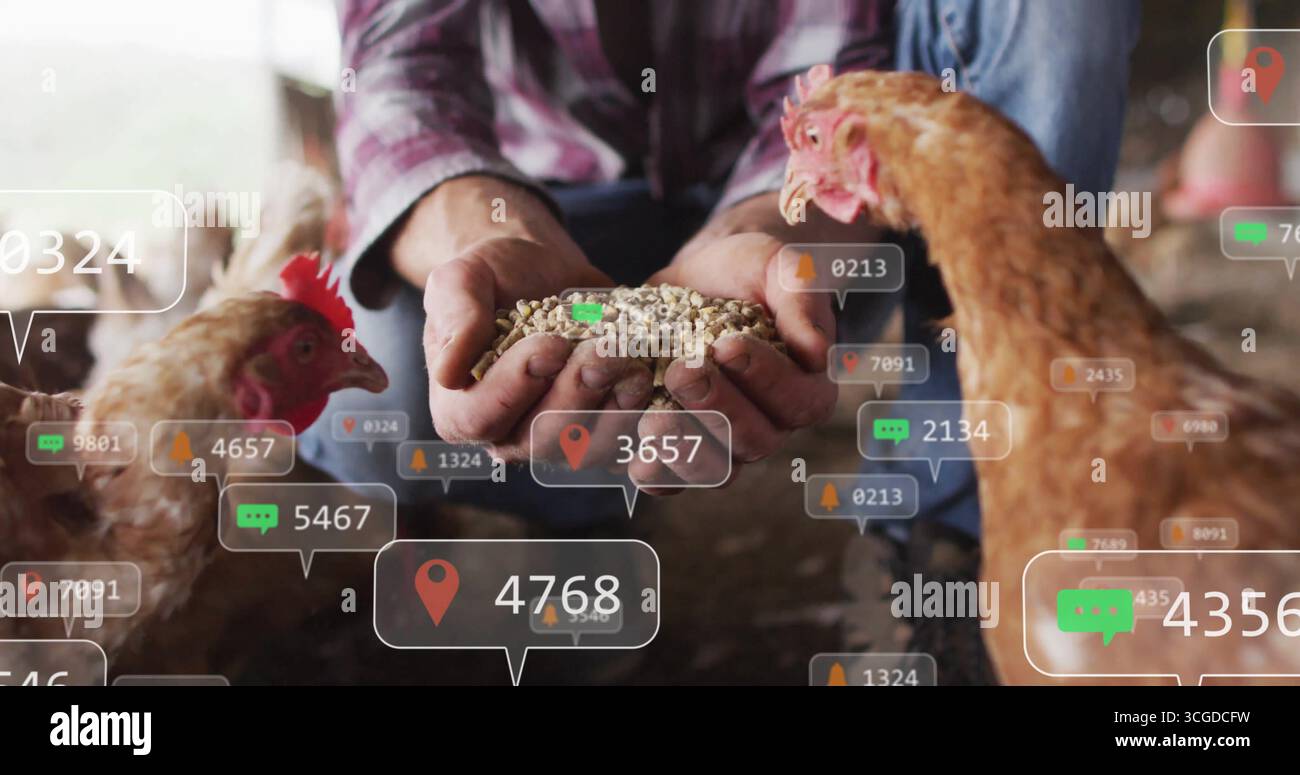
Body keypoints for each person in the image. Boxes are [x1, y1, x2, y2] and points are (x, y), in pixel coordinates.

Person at [302, 0, 1140, 534]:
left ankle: (958, 517)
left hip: (790, 209)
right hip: (556, 203)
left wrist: (764, 232)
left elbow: (834, 71)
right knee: (371, 410)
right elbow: (395, 73)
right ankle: (587, 503)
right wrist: (486, 229)